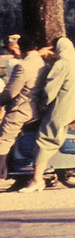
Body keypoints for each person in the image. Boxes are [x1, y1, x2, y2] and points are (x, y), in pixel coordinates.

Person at [21, 37, 75, 193]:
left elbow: (49, 90)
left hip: (63, 108)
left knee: (45, 139)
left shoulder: (61, 65)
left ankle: (37, 180)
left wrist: (42, 105)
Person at [0, 38, 53, 184]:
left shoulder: (23, 66)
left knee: (4, 138)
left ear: (21, 48)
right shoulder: (43, 64)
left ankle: (2, 171)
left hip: (22, 109)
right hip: (37, 109)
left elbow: (11, 92)